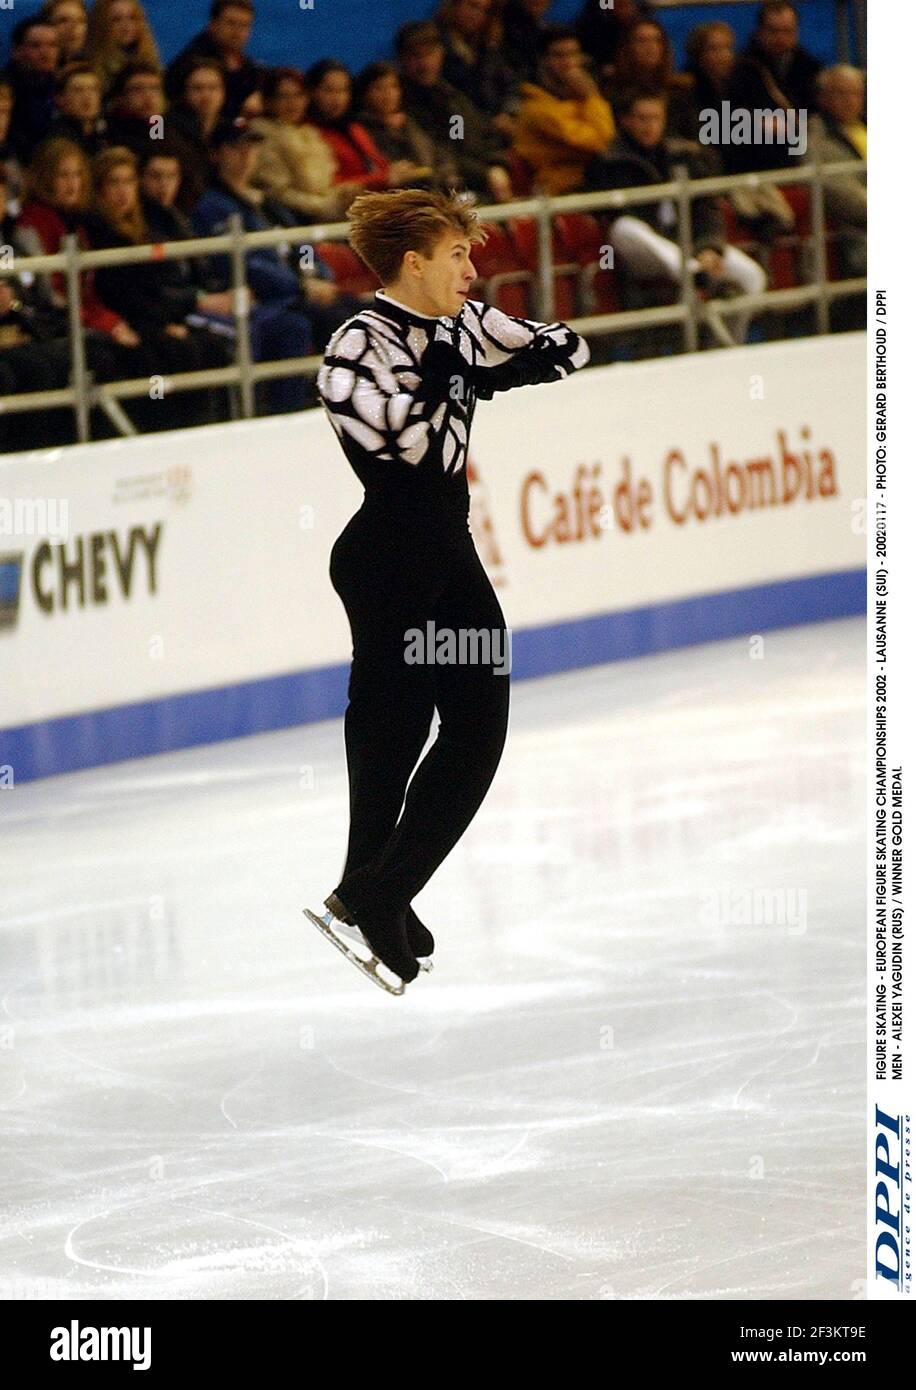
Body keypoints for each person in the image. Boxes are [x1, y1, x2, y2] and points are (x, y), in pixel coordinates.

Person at [312, 187, 590, 987]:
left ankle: (376, 890)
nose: (474, 267)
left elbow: (569, 346)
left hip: (446, 552)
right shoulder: (353, 347)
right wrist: (457, 381)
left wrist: (522, 365)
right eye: (459, 255)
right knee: (395, 723)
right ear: (414, 263)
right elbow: (398, 439)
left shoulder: (464, 325)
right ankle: (376, 891)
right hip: (388, 558)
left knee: (476, 723)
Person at [396, 20, 514, 204]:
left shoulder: (453, 101)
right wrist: (486, 173)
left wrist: (496, 165)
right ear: (402, 60)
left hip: (474, 190)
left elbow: (470, 141)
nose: (424, 63)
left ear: (441, 54)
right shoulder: (398, 108)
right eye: (416, 56)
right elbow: (443, 156)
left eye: (430, 54)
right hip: (434, 199)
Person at [512, 25, 614, 195]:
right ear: (543, 60)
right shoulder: (536, 108)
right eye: (559, 55)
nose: (569, 63)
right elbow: (602, 141)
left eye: (574, 54)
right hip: (557, 195)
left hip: (589, 188)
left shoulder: (578, 100)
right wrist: (592, 96)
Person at [249, 67, 351, 220]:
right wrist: (324, 206)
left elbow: (325, 185)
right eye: (283, 96)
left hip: (322, 215)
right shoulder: (262, 134)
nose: (292, 103)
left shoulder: (310, 133)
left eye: (298, 95)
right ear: (268, 101)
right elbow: (277, 193)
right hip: (292, 221)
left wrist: (343, 195)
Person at [353, 60, 460, 195]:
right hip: (397, 198)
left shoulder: (414, 120)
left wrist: (449, 178)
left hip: (435, 192)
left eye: (393, 86)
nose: (388, 94)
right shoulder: (360, 130)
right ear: (365, 93)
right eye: (379, 88)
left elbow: (440, 154)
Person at [166, 0, 264, 121]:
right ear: (213, 25)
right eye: (231, 23)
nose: (237, 31)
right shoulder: (191, 64)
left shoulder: (249, 68)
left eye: (244, 25)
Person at [84, 0, 160, 99]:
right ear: (101, 26)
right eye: (116, 20)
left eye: (132, 18)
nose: (126, 26)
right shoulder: (90, 71)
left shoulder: (150, 63)